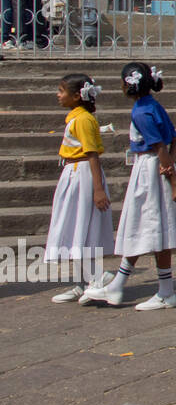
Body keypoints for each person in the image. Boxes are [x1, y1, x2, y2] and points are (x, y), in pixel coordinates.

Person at [81, 64, 176, 311]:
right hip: (155, 168)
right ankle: (126, 285)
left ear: (128, 84)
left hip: (148, 171)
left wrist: (173, 181)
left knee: (143, 227)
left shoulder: (141, 112)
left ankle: (157, 291)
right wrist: (169, 170)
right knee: (147, 229)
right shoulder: (152, 105)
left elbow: (160, 147)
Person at [46, 74, 113, 302]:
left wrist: (97, 189)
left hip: (82, 174)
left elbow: (91, 153)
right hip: (73, 173)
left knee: (82, 225)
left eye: (62, 90)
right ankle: (82, 281)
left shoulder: (83, 120)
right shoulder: (76, 118)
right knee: (73, 224)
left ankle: (96, 278)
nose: (58, 94)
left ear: (77, 96)